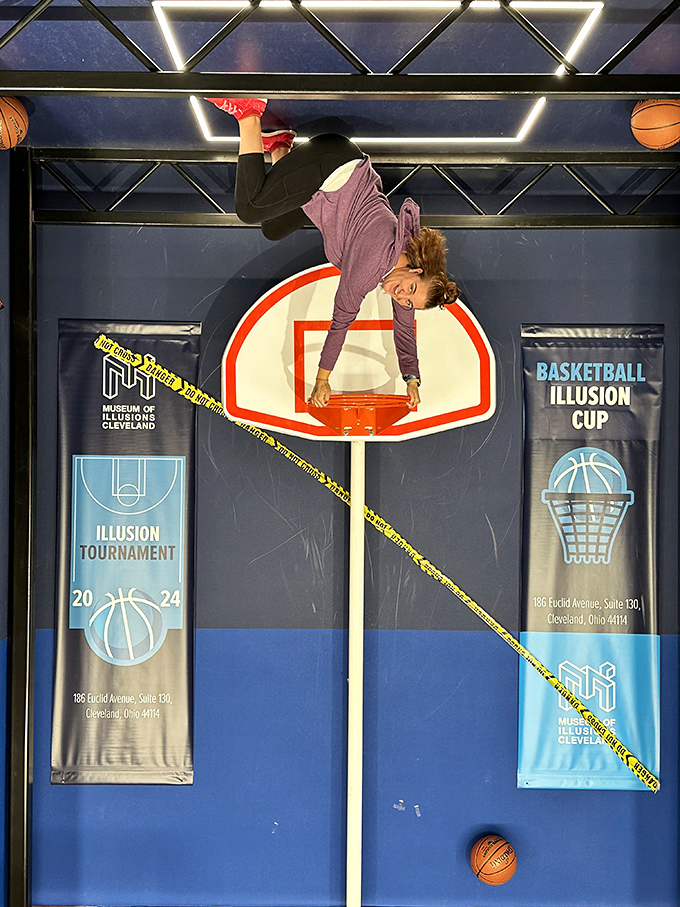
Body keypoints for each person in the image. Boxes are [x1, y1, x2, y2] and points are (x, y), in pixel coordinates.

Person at [207, 97, 460, 408]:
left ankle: (278, 147)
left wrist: (411, 378)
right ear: (416, 271)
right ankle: (249, 113)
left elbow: (405, 328)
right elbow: (341, 321)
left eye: (407, 301)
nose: (400, 298)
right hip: (331, 163)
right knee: (249, 209)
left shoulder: (402, 267)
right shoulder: (373, 264)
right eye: (409, 292)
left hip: (327, 189)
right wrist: (323, 379)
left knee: (273, 228)